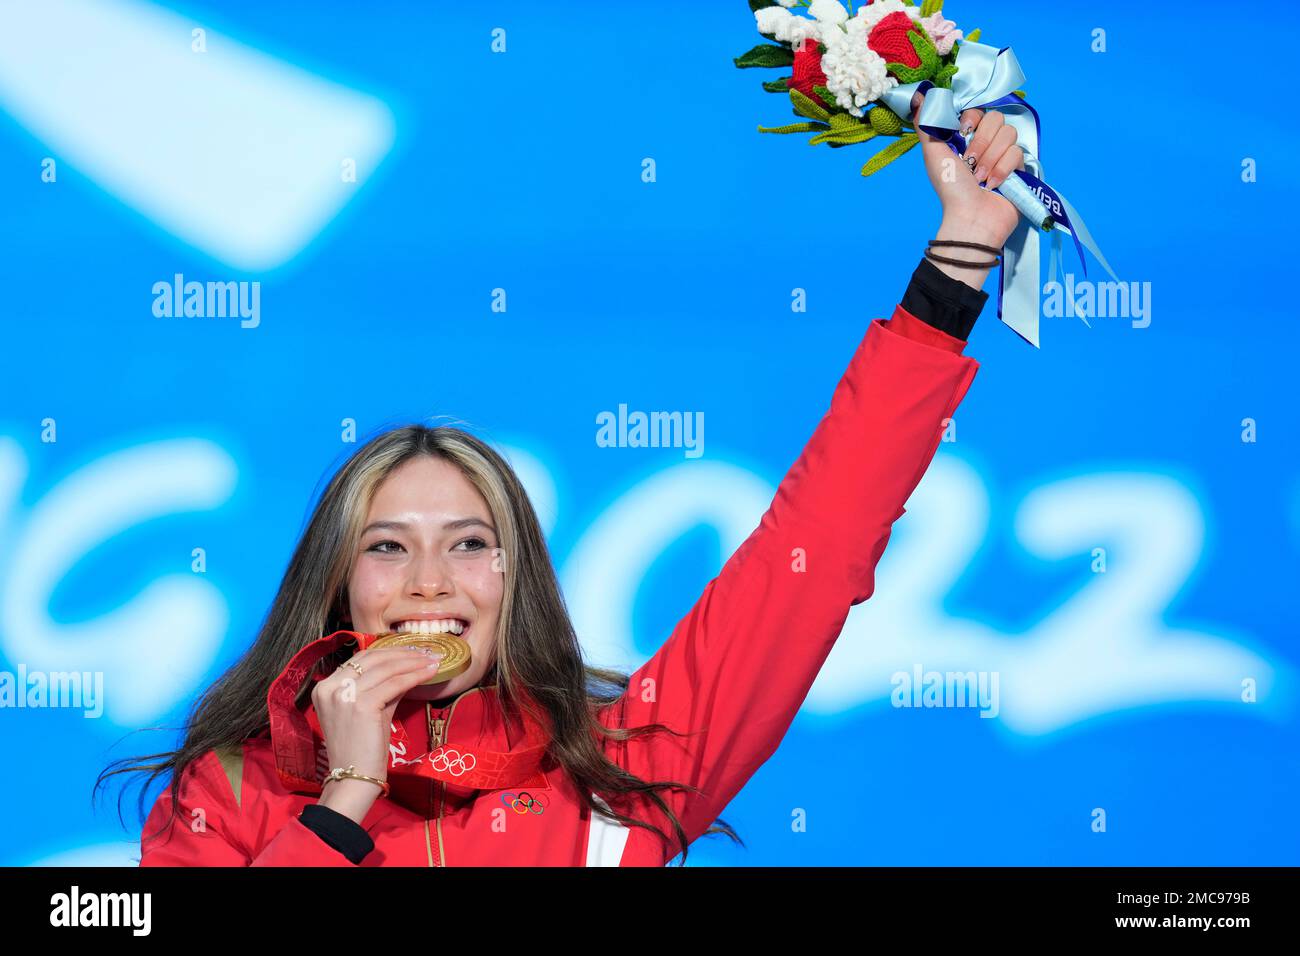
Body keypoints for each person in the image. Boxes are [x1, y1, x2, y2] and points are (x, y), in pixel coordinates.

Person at [100, 92, 1026, 866]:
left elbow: (814, 548)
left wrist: (963, 255)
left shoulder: (621, 769)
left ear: (517, 581)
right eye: (389, 548)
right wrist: (344, 798)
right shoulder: (228, 790)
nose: (431, 581)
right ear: (338, 582)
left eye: (470, 545)